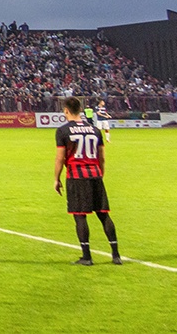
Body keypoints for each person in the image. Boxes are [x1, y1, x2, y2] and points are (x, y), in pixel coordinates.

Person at [54, 96, 121, 266]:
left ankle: (86, 256)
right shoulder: (94, 130)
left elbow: (60, 159)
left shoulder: (63, 131)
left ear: (66, 111)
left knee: (80, 215)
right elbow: (102, 157)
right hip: (95, 175)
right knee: (103, 214)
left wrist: (56, 179)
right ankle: (116, 255)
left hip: (76, 176)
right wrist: (100, 174)